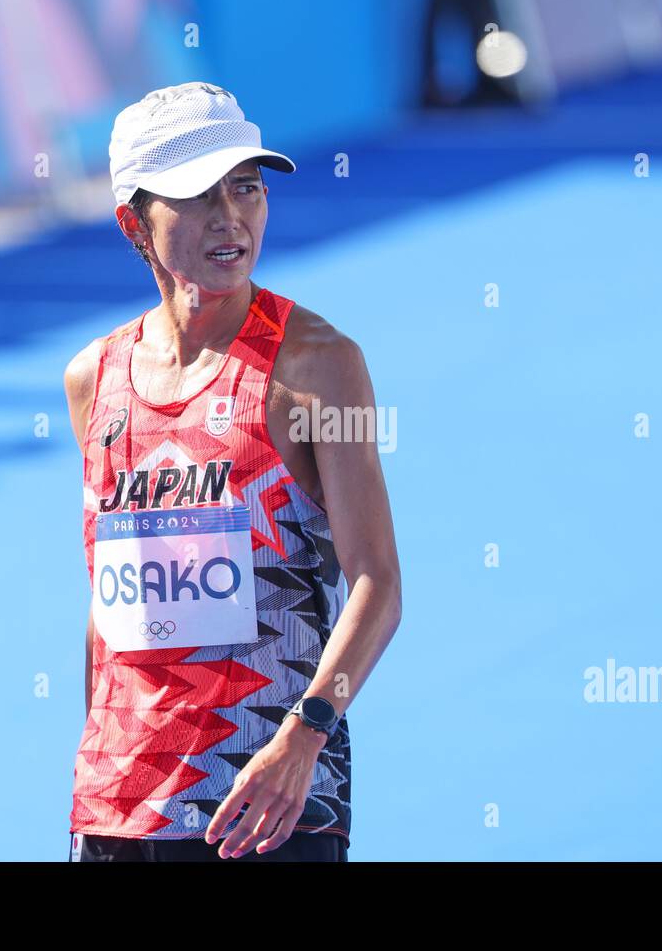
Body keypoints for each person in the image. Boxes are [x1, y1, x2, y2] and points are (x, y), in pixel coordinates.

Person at [62, 82, 402, 862]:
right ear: (134, 225)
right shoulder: (93, 379)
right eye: (196, 195)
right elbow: (111, 606)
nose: (231, 217)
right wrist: (95, 765)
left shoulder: (319, 367)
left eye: (245, 187)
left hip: (265, 805)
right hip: (118, 806)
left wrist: (305, 737)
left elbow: (378, 585)